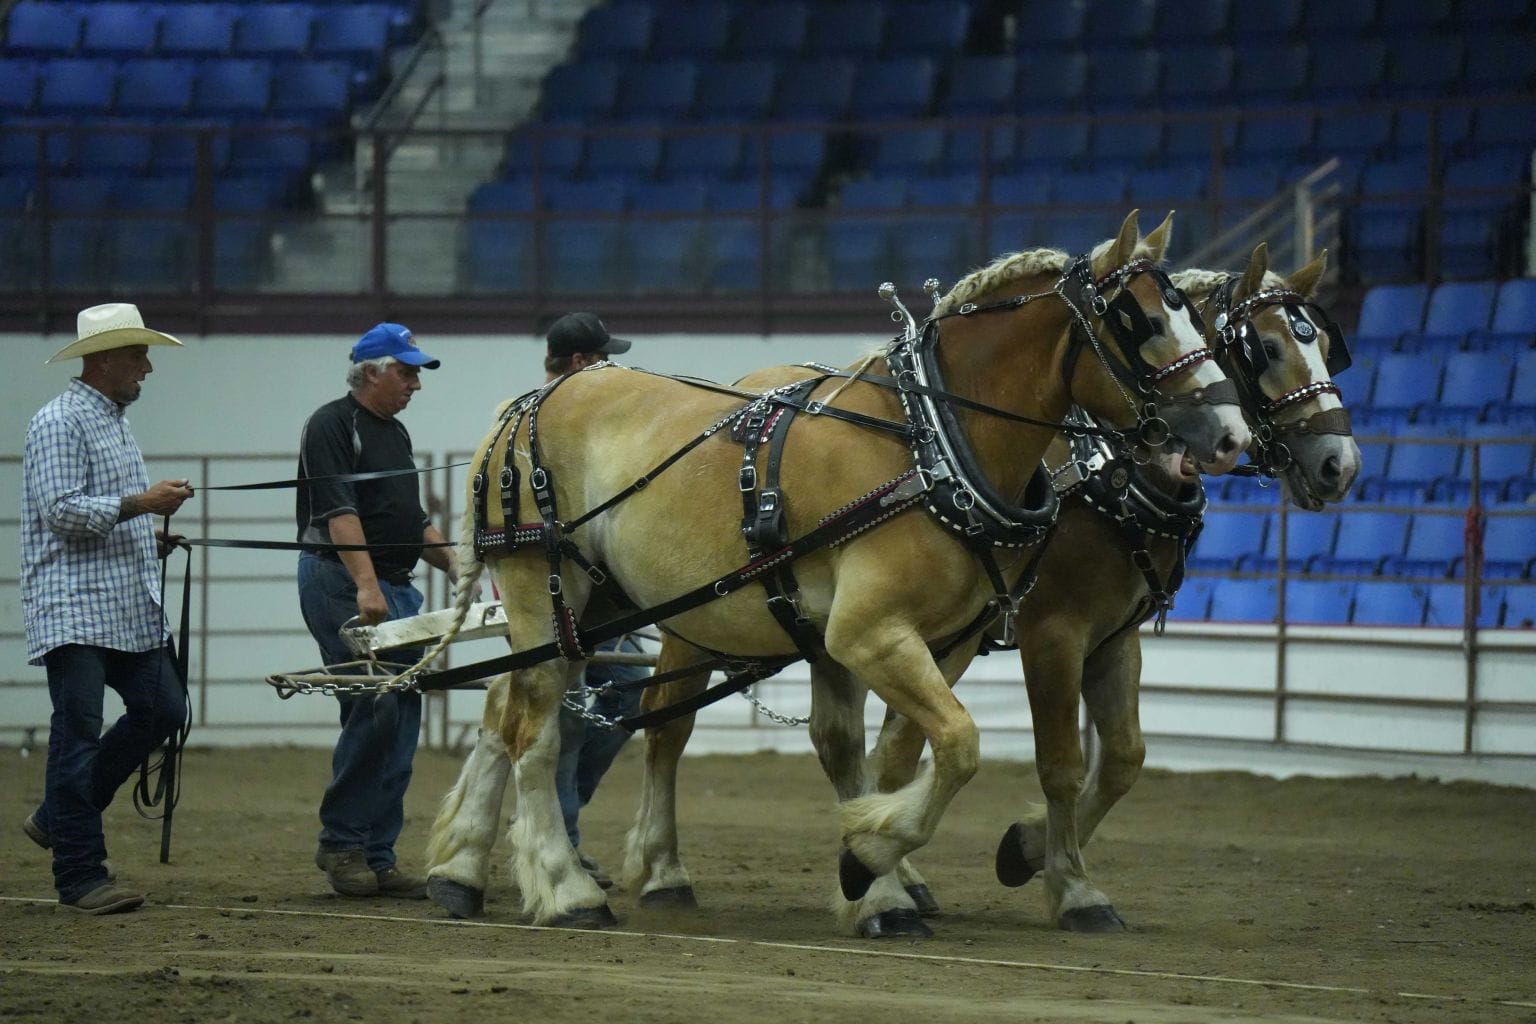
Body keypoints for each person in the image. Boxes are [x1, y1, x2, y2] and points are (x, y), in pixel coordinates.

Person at [21, 302, 195, 915]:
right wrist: (144, 505)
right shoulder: (59, 422)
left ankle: (57, 818)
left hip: (120, 607)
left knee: (164, 709)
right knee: (78, 735)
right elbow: (63, 512)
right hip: (73, 609)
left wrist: (145, 533)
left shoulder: (111, 421)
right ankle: (80, 874)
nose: (147, 367)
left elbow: (95, 512)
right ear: (102, 360)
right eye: (136, 355)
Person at [296, 322, 456, 898]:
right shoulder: (332, 424)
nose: (415, 383)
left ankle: (378, 854)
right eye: (407, 371)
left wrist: (457, 565)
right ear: (372, 372)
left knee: (400, 715)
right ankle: (343, 844)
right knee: (375, 708)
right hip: (344, 582)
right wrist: (368, 586)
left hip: (391, 584)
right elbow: (340, 510)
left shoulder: (397, 434)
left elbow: (410, 520)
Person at [543, 312, 650, 888]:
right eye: (605, 357)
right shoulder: (539, 427)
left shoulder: (605, 428)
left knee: (630, 693)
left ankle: (563, 813)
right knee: (568, 713)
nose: (615, 367)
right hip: (560, 595)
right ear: (582, 364)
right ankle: (560, 836)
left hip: (608, 599)